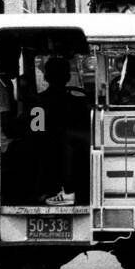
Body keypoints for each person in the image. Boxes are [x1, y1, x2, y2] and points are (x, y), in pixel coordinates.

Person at [34, 56, 89, 205]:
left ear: (46, 76)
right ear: (68, 77)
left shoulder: (38, 102)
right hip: (71, 149)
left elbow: (36, 130)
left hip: (48, 148)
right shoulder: (77, 104)